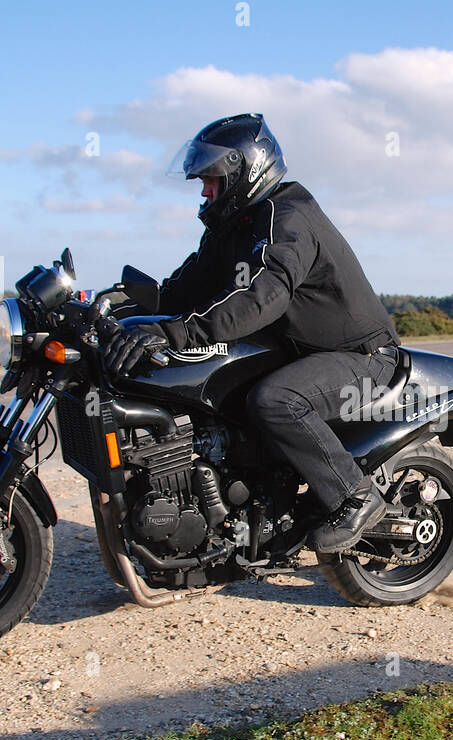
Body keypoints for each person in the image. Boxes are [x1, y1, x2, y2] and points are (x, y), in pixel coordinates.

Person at [103, 113, 401, 553]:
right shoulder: (234, 226)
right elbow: (181, 291)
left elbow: (258, 298)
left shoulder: (287, 219)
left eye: (211, 179)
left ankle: (355, 497)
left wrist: (174, 333)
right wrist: (116, 308)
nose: (204, 190)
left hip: (360, 357)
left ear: (245, 170)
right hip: (299, 351)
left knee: (276, 400)